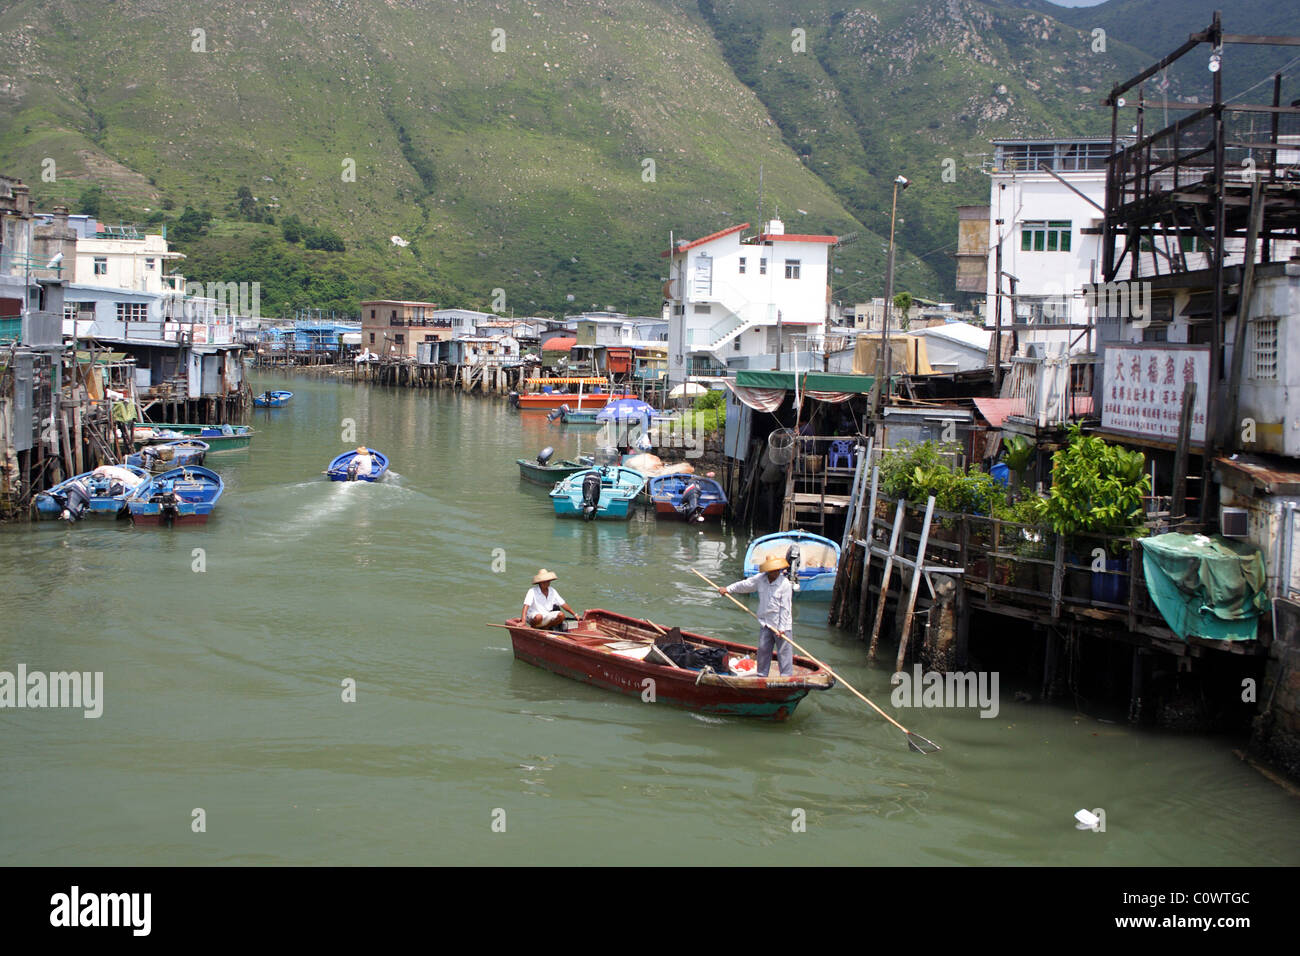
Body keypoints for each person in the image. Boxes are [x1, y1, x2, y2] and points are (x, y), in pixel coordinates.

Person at [717, 555, 794, 677]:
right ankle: (761, 675)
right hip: (765, 622)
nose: (776, 573)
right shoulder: (760, 579)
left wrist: (782, 628)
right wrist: (728, 589)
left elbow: (785, 608)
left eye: (778, 570)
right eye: (774, 570)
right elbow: (745, 585)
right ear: (768, 571)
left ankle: (786, 677)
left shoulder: (785, 584)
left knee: (784, 653)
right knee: (763, 651)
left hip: (781, 625)